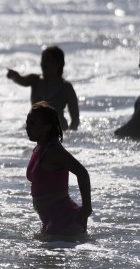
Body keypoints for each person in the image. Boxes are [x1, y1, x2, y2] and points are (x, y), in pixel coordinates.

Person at [25, 101, 92, 236]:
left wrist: (86, 208)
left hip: (65, 219)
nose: (27, 127)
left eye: (33, 124)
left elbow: (82, 173)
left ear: (47, 127)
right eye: (27, 123)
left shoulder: (54, 151)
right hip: (51, 220)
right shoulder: (39, 148)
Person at [7, 45, 80, 130]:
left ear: (58, 64)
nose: (43, 64)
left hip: (57, 133)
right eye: (43, 60)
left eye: (48, 60)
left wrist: (67, 138)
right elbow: (21, 80)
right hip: (36, 132)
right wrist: (14, 76)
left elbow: (75, 120)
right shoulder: (35, 80)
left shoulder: (66, 87)